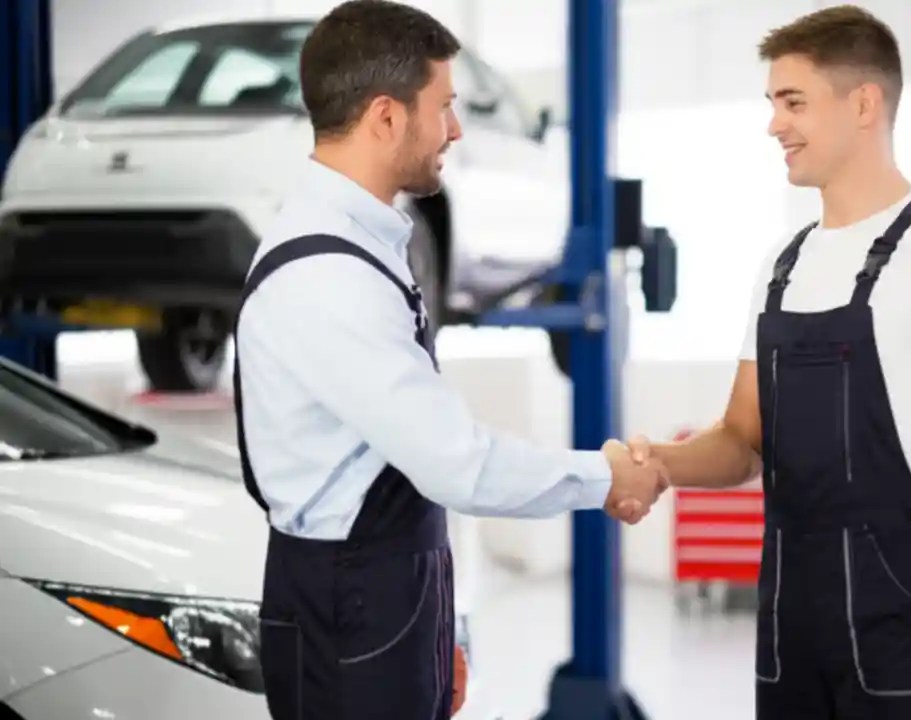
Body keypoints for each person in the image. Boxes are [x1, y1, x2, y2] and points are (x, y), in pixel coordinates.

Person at [231, 2, 666, 719]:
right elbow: (460, 465)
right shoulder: (328, 276)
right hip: (353, 616)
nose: (456, 129)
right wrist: (606, 475)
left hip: (386, 606)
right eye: (445, 106)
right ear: (386, 116)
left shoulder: (362, 245)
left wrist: (440, 631)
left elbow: (399, 457)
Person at [626, 6, 911, 720]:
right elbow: (742, 440)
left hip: (904, 609)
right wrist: (656, 463)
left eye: (793, 103)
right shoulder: (783, 265)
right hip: (791, 609)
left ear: (864, 104)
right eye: (771, 105)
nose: (774, 125)